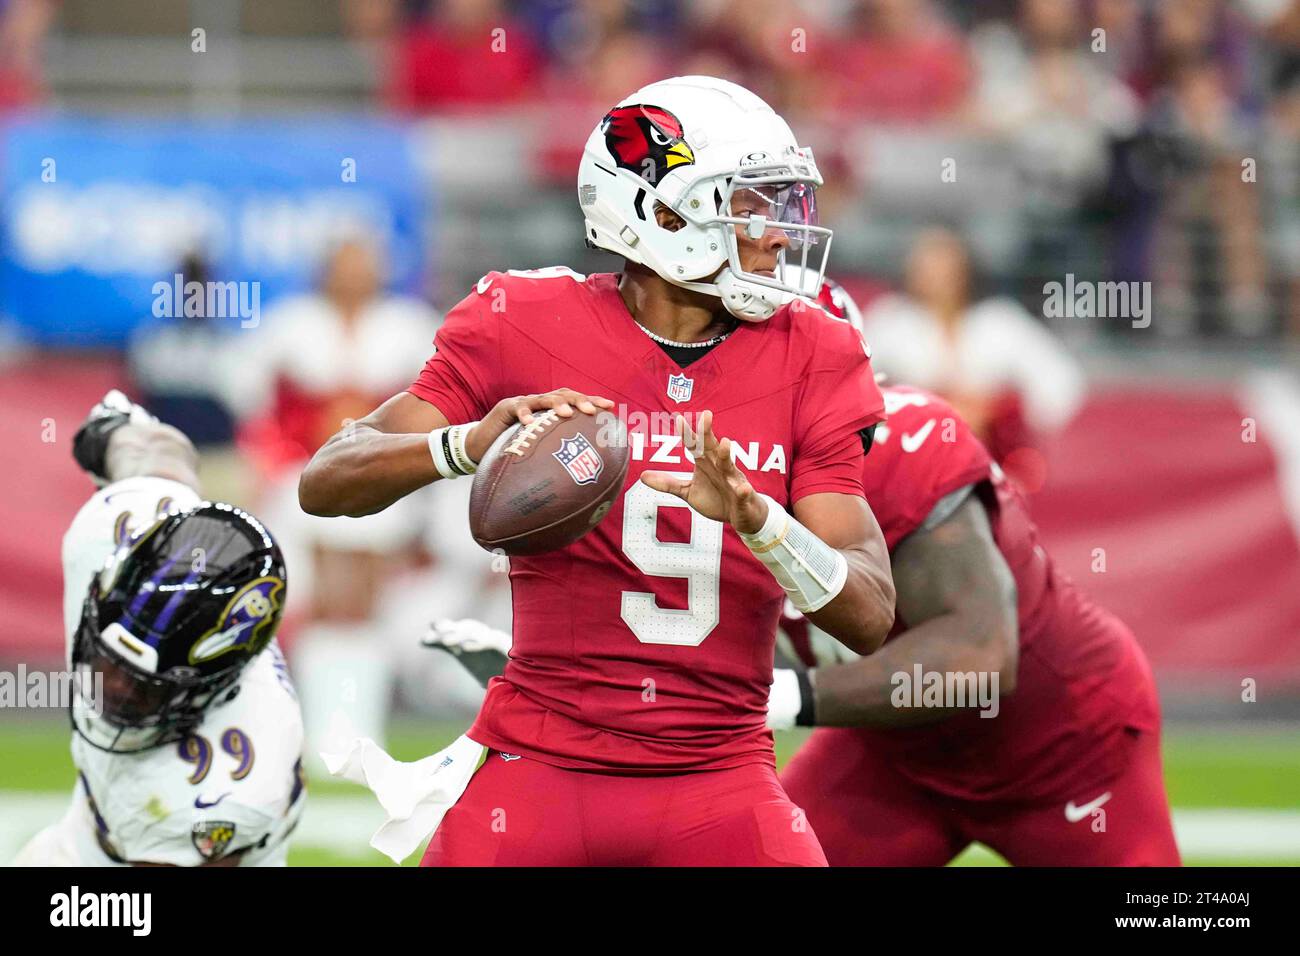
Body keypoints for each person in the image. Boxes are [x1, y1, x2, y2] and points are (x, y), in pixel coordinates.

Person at [300, 75, 896, 866]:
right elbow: (327, 480)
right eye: (747, 204)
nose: (778, 233)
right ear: (660, 213)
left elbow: (871, 614)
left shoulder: (815, 351)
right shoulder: (523, 320)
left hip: (718, 776)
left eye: (778, 203)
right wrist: (464, 445)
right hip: (539, 768)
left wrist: (762, 523)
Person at [429, 279, 1180, 867]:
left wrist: (774, 699)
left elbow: (980, 661)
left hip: (1063, 748)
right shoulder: (703, 460)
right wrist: (577, 689)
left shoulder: (906, 447)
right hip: (895, 759)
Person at [12, 391, 305, 866]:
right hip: (90, 825)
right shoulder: (112, 527)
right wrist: (119, 434)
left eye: (142, 688)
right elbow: (161, 455)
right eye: (106, 660)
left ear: (209, 686)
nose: (110, 687)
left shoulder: (228, 784)